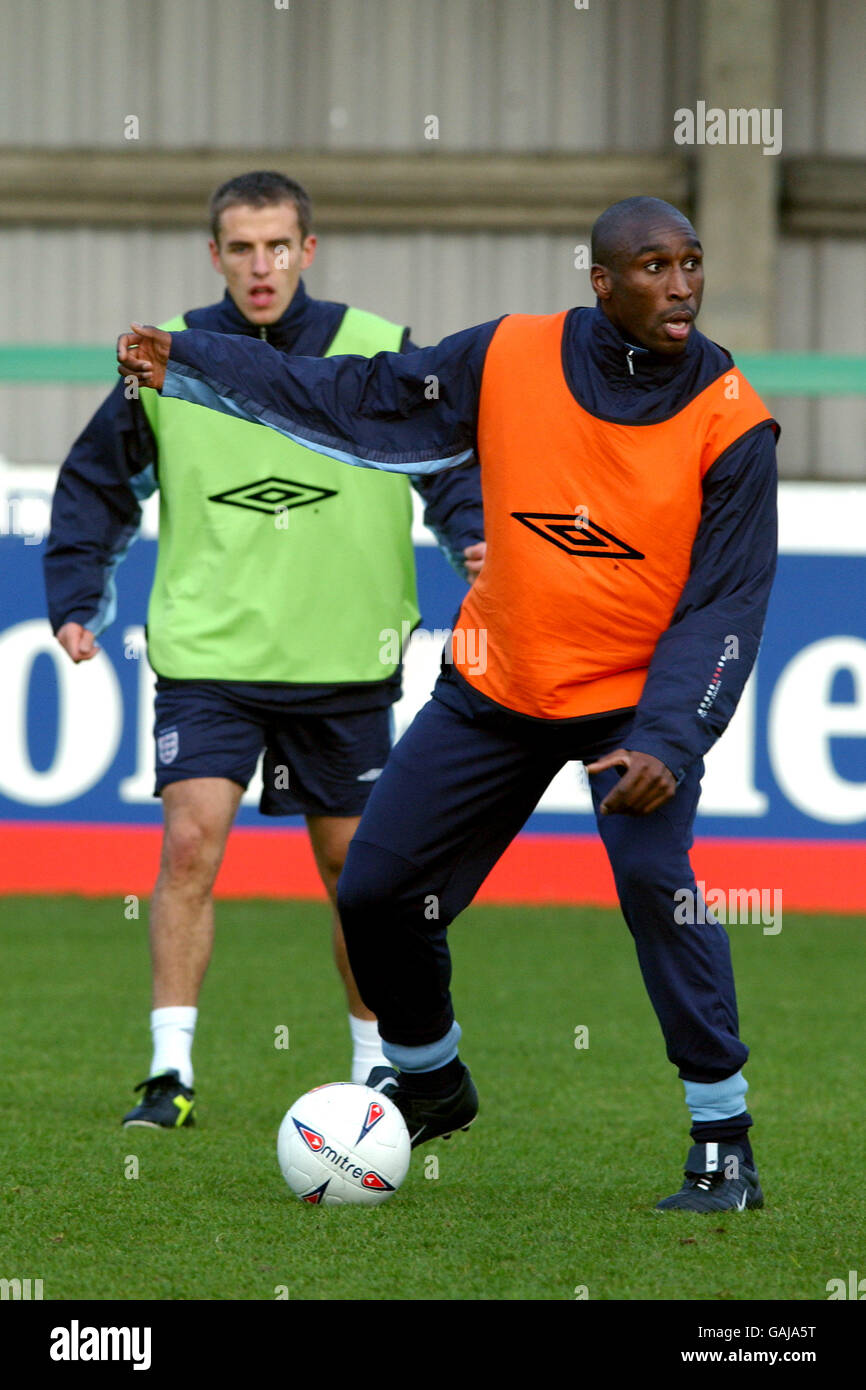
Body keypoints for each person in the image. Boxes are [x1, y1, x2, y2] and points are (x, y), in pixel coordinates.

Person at [117, 195, 778, 1211]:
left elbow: (725, 600)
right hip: (496, 684)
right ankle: (429, 1079)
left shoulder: (730, 418)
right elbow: (362, 394)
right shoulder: (507, 354)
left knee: (658, 889)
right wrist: (205, 364)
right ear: (598, 282)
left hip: (631, 712)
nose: (679, 283)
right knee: (376, 891)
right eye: (651, 266)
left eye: (689, 262)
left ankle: (721, 1139)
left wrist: (669, 737)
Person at [45, 170, 484, 1129]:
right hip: (209, 656)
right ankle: (169, 1075)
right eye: (241, 248)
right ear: (216, 255)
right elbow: (96, 484)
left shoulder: (376, 349)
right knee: (190, 846)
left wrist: (476, 537)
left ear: (307, 251)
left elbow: (447, 460)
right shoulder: (162, 357)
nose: (261, 265)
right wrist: (78, 594)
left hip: (343, 660)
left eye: (278, 246)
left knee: (356, 878)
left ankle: (377, 1070)